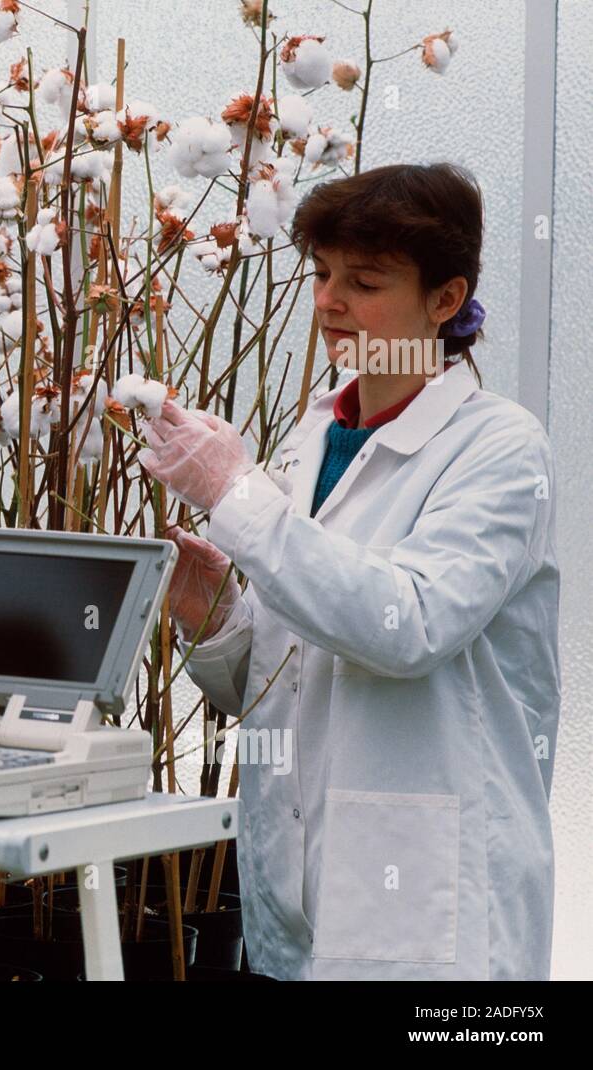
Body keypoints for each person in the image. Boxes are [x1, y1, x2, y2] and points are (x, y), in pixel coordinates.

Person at [138, 163, 560, 980]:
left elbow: (409, 628)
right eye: (323, 274)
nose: (328, 302)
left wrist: (234, 492)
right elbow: (280, 681)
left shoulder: (501, 450)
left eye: (363, 282)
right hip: (297, 889)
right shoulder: (314, 434)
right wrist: (218, 616)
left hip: (435, 903)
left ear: (445, 300)